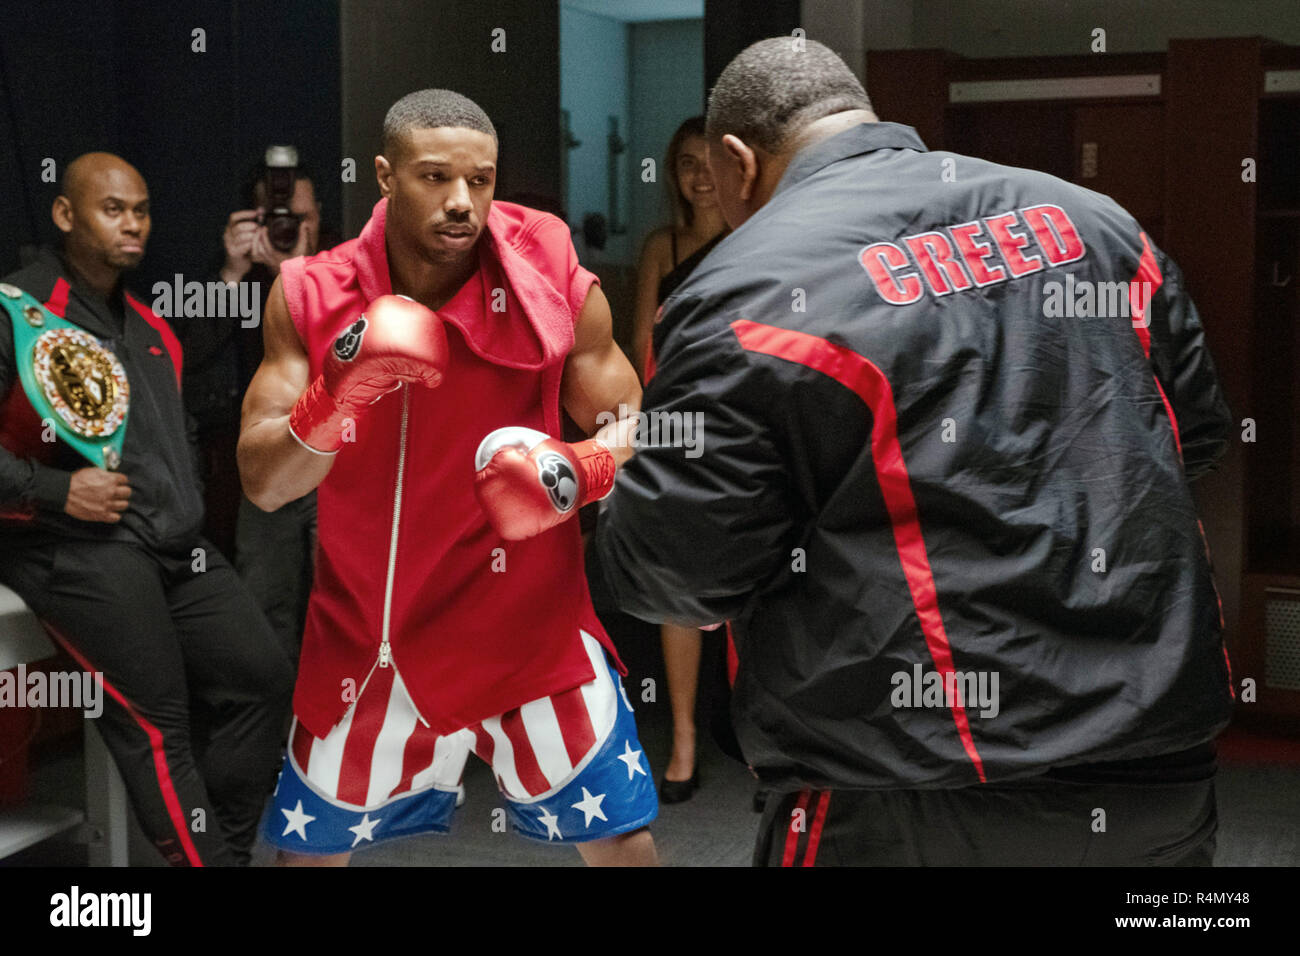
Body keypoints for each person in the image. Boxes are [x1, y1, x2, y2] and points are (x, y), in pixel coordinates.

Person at [594, 39, 1234, 866]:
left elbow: (678, 575)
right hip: (1154, 768)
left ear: (736, 163)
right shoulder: (1097, 222)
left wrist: (619, 479)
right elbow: (1195, 438)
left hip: (907, 789)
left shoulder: (744, 288)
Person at [239, 90, 658, 866]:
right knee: (309, 854)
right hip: (373, 638)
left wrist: (584, 468)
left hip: (527, 630)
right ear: (386, 177)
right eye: (435, 177)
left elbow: (639, 420)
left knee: (622, 843)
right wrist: (338, 396)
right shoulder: (311, 294)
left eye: (482, 180)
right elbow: (264, 483)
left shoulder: (548, 267)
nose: (462, 202)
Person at [0, 152, 294, 866]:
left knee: (264, 673)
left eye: (141, 210)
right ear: (66, 215)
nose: (133, 224)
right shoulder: (16, 309)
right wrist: (55, 491)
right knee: (160, 725)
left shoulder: (148, 326)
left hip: (172, 546)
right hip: (74, 545)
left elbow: (175, 437)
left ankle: (218, 855)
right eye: (112, 209)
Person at [178, 156, 331, 659]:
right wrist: (230, 272)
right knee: (263, 604)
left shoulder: (342, 272)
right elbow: (189, 355)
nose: (290, 228)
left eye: (301, 218)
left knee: (340, 602)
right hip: (268, 458)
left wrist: (295, 275)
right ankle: (274, 725)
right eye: (276, 219)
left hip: (338, 463)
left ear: (319, 218)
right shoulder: (238, 280)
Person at [630, 116, 728, 803]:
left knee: (764, 584)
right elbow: (641, 347)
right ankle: (685, 738)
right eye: (685, 161)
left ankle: (764, 731)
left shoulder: (762, 236)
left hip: (748, 422)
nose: (699, 174)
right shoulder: (661, 246)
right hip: (677, 429)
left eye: (710, 160)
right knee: (678, 588)